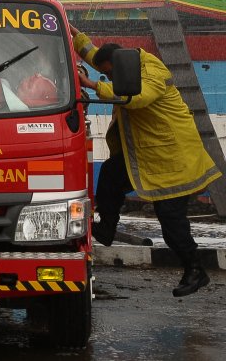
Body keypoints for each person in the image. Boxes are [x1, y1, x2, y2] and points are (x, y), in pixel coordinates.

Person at [71, 25, 221, 297]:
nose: (107, 77)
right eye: (104, 74)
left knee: (172, 222)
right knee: (110, 176)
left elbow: (138, 99)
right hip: (144, 156)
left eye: (108, 74)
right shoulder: (122, 62)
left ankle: (195, 270)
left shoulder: (152, 72)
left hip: (171, 159)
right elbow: (94, 55)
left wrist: (93, 85)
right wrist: (72, 31)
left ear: (119, 65)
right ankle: (106, 228)